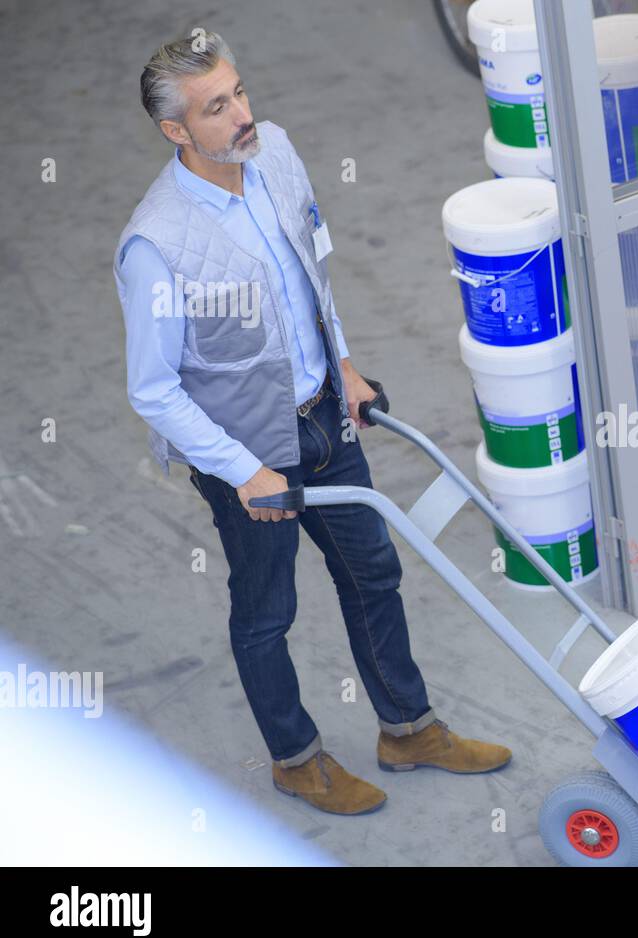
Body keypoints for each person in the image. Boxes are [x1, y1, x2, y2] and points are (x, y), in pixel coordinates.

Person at [115, 29, 510, 816]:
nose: (242, 115)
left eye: (240, 92)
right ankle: (296, 759)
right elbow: (153, 391)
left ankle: (408, 728)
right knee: (267, 614)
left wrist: (348, 367)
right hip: (249, 451)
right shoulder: (155, 246)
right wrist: (244, 473)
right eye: (216, 107)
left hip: (325, 413)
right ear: (175, 130)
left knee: (374, 575)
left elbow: (312, 270)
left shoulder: (276, 154)